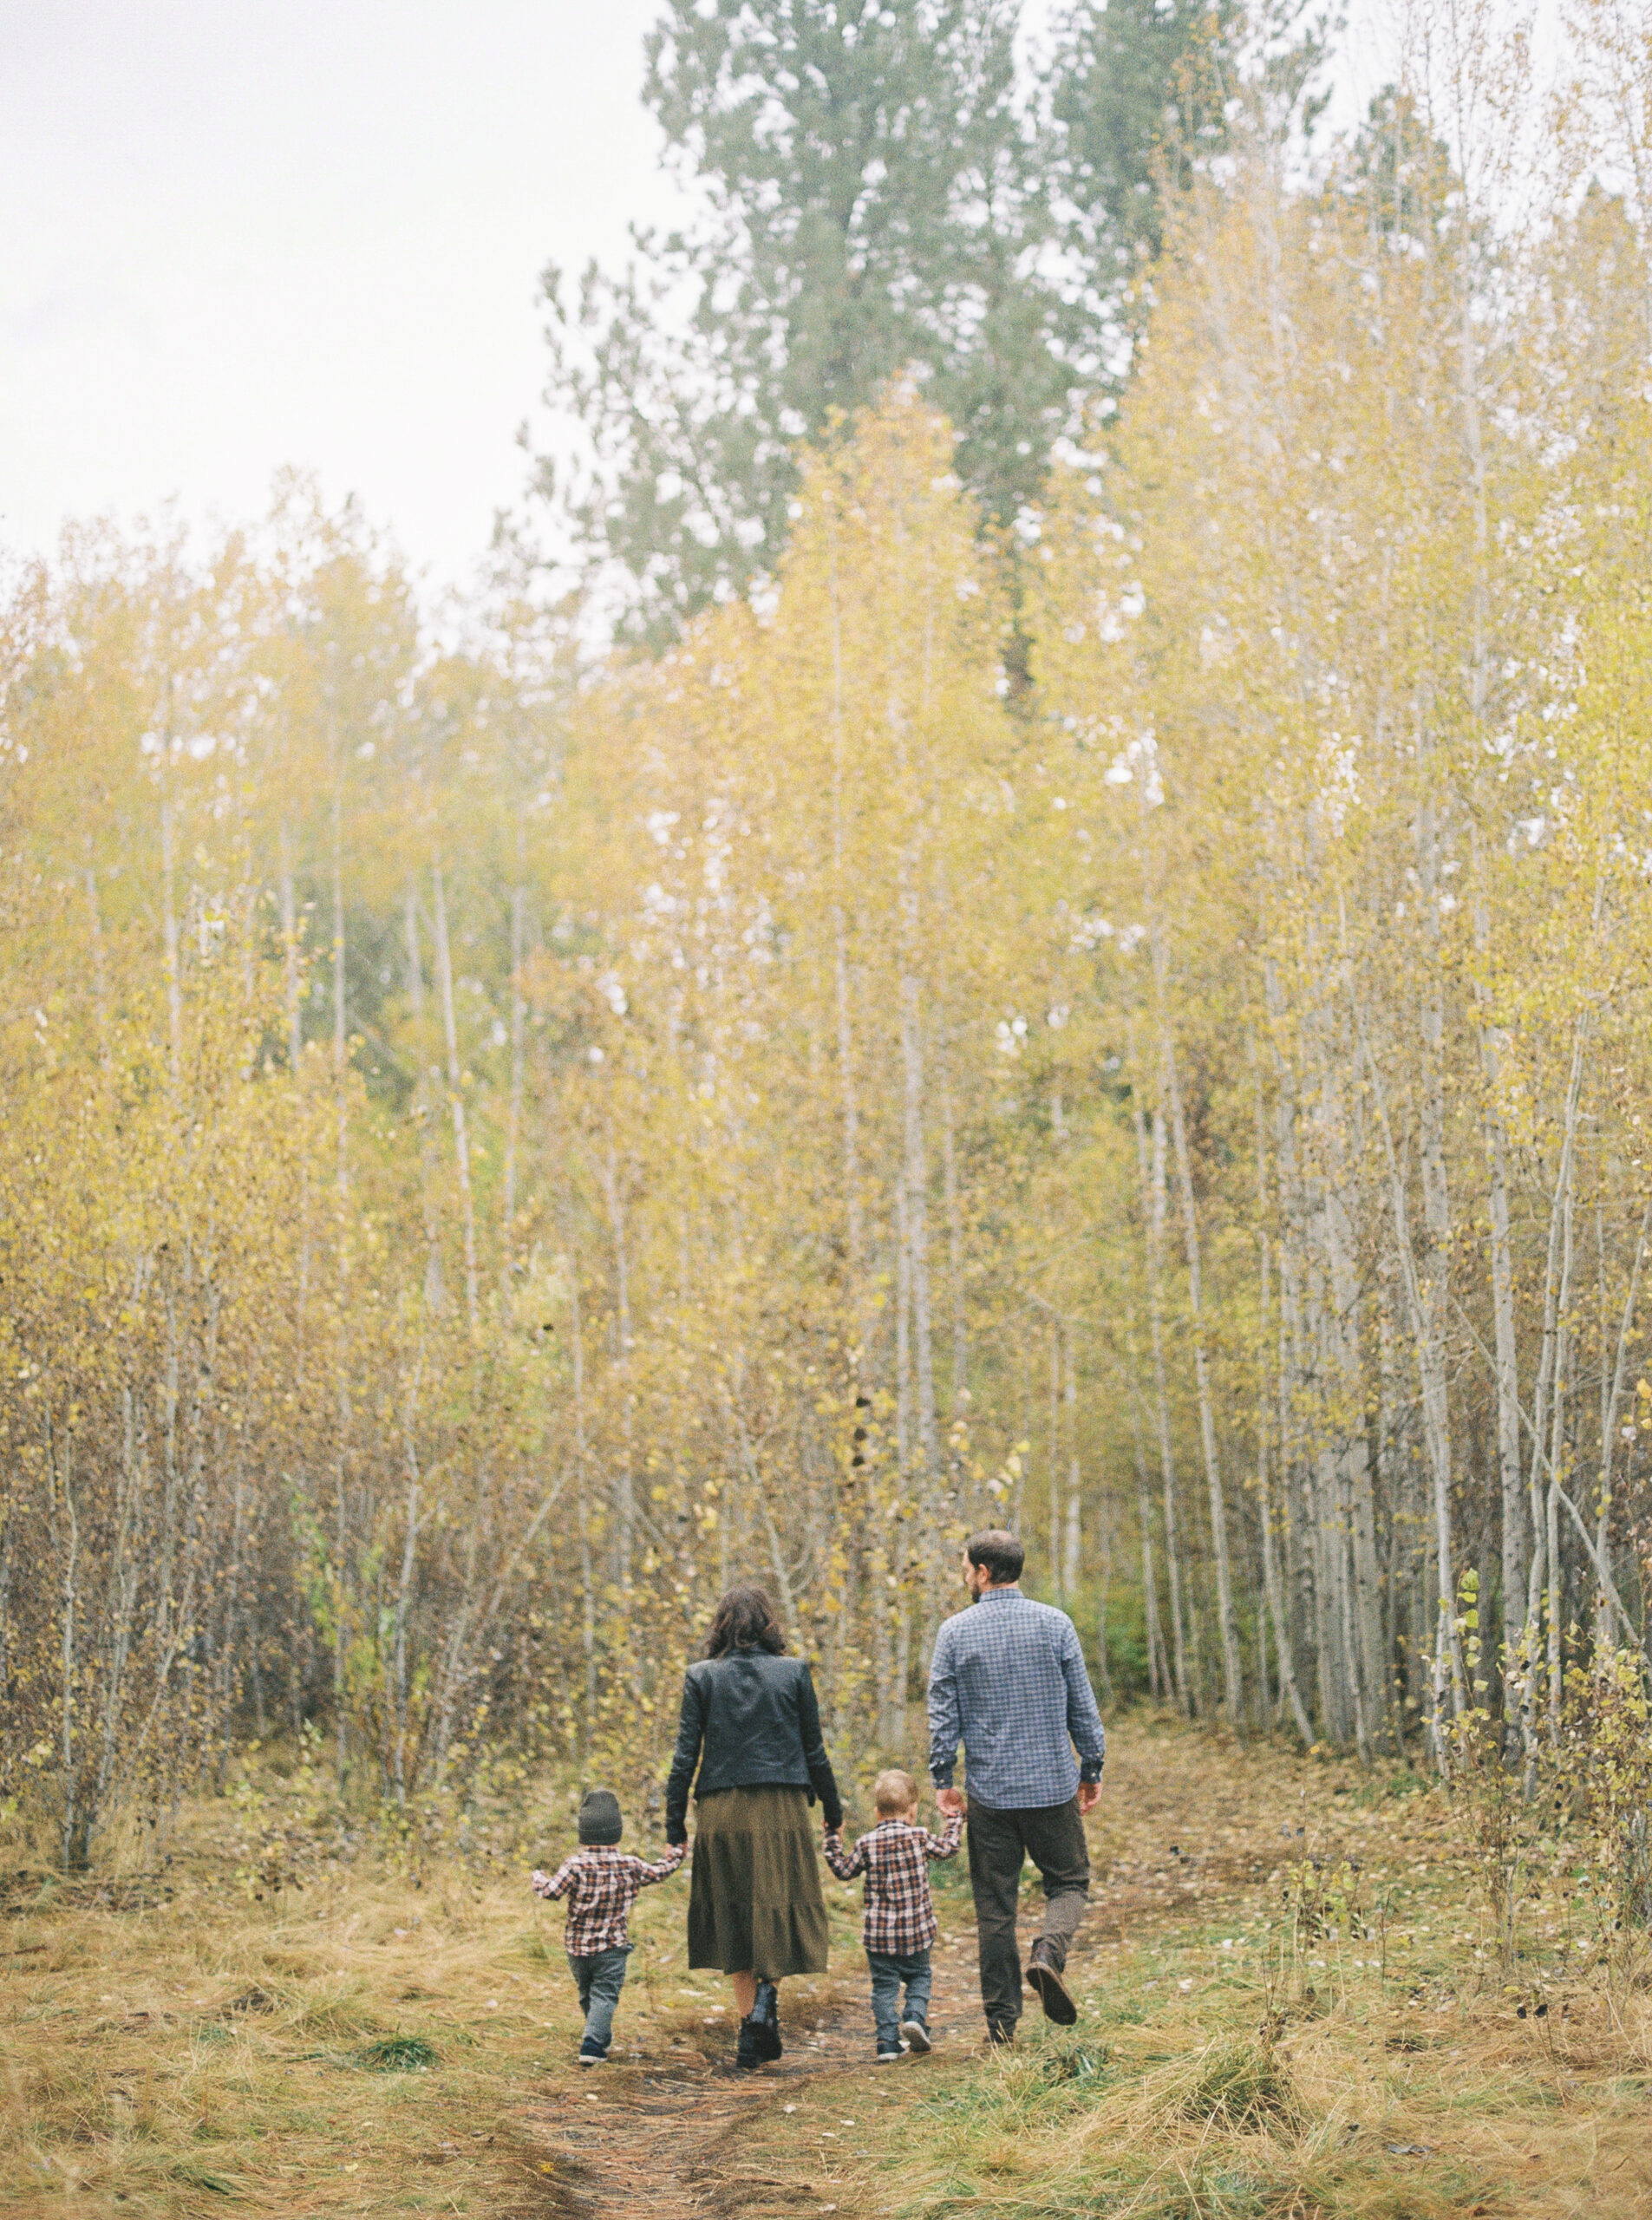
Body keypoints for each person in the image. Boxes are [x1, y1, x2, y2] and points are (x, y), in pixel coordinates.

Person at [928, 1528, 1106, 2046]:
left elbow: (943, 1716)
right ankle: (1048, 1954)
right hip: (1052, 1788)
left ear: (984, 1573)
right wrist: (1090, 1768)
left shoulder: (954, 1633)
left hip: (991, 1796)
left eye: (965, 1569)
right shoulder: (1056, 1625)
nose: (965, 1577)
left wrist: (943, 1780)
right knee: (1069, 1883)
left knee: (994, 1908)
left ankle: (1002, 2027)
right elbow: (1083, 1707)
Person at [664, 1582, 843, 2070]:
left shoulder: (700, 1676)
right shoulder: (794, 1672)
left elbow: (684, 1759)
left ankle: (750, 2033)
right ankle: (766, 1998)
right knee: (778, 1905)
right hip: (782, 1804)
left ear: (721, 1625)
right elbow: (815, 1749)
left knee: (735, 1912)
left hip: (720, 1807)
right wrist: (833, 1810)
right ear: (769, 1623)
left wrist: (674, 1826)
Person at [531, 1786, 686, 2064]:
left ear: (583, 1834)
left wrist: (538, 1878)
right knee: (605, 1994)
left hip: (577, 1949)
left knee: (587, 1993)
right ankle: (593, 2044)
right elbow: (659, 1872)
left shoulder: (574, 1865)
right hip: (612, 1948)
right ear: (617, 1832)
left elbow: (551, 1893)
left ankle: (597, 2034)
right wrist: (675, 1854)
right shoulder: (630, 1864)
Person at [824, 1766, 963, 2062]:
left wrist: (832, 1837)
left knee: (884, 1986)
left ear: (877, 1812)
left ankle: (887, 2043)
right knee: (920, 1975)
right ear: (913, 1810)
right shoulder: (920, 1837)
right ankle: (914, 2015)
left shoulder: (866, 1844)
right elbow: (951, 1848)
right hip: (917, 1931)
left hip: (880, 1937)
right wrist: (954, 1818)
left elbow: (842, 1870)